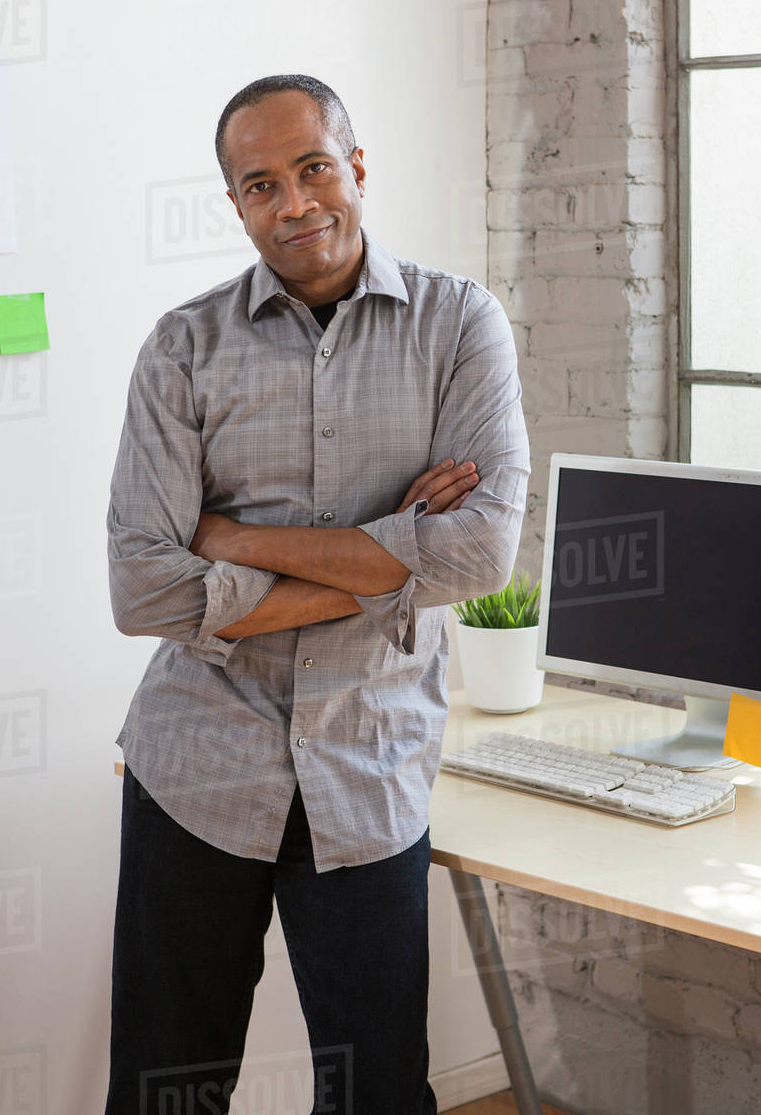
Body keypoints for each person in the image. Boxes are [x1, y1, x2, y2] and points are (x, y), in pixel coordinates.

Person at [105, 73, 530, 1115]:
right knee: (167, 1090)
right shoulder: (182, 348)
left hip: (369, 765)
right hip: (193, 768)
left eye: (311, 169)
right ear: (236, 204)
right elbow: (142, 588)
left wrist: (236, 543)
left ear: (356, 167)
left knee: (377, 1093)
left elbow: (478, 557)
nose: (293, 204)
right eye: (259, 185)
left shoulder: (459, 326)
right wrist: (392, 567)